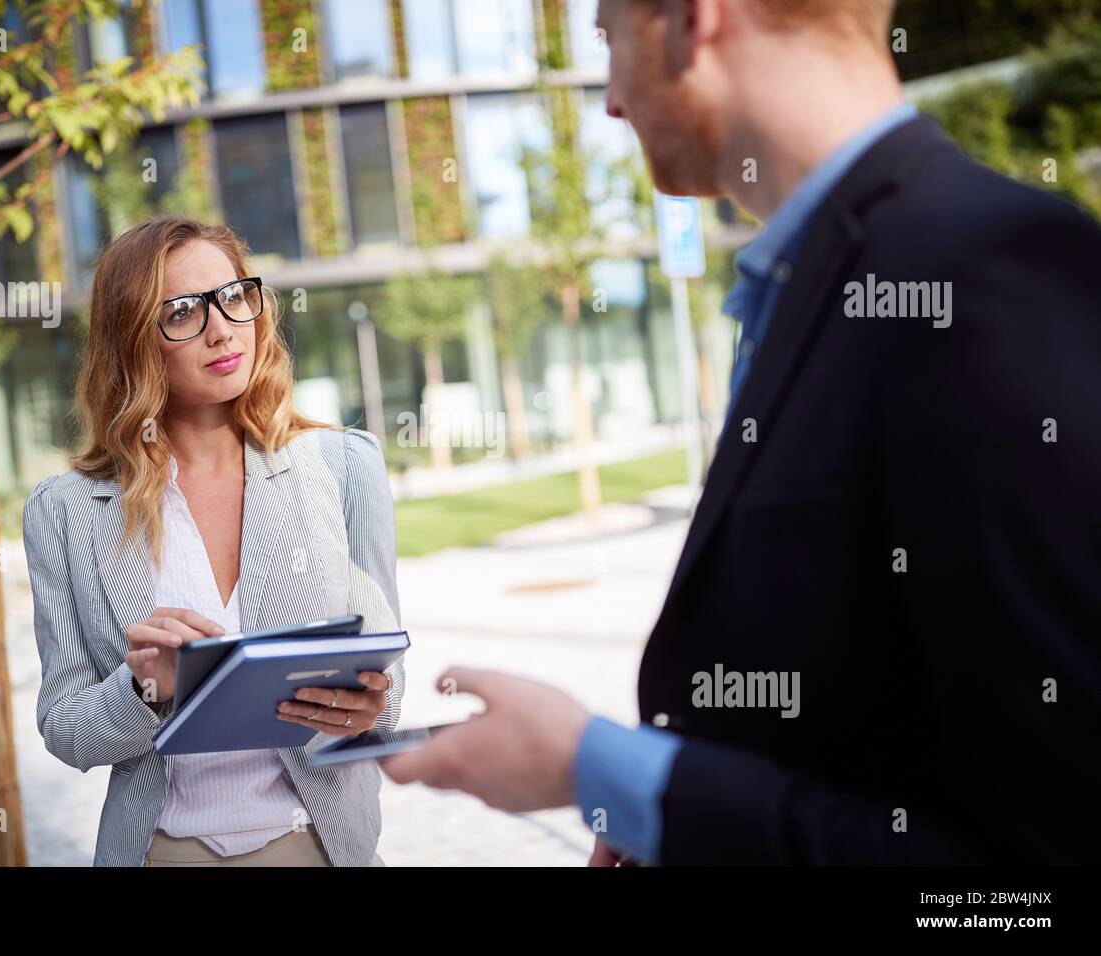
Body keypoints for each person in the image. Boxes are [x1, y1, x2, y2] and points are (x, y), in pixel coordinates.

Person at [384, 0, 1101, 865]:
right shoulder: (803, 286)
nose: (610, 102)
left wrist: (607, 776)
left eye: (612, 40)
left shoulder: (986, 272)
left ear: (693, 22)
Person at [23, 216, 404, 866]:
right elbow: (65, 727)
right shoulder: (65, 512)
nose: (222, 327)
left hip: (321, 845)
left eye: (233, 297)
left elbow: (388, 683)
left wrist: (372, 703)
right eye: (181, 311)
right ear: (134, 339)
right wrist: (145, 686)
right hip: (165, 852)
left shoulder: (343, 466)